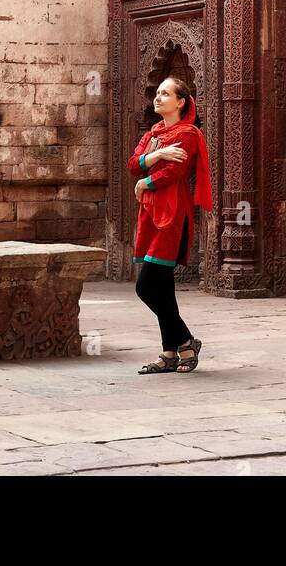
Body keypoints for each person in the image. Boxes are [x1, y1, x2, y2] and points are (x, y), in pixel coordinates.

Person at [127, 75, 213, 373]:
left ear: (181, 101)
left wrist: (146, 180)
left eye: (166, 93)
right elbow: (132, 164)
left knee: (145, 286)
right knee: (162, 289)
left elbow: (174, 174)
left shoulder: (187, 134)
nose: (158, 97)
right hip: (151, 214)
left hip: (172, 215)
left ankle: (186, 340)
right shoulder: (153, 135)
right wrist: (159, 153)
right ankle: (171, 352)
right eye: (158, 93)